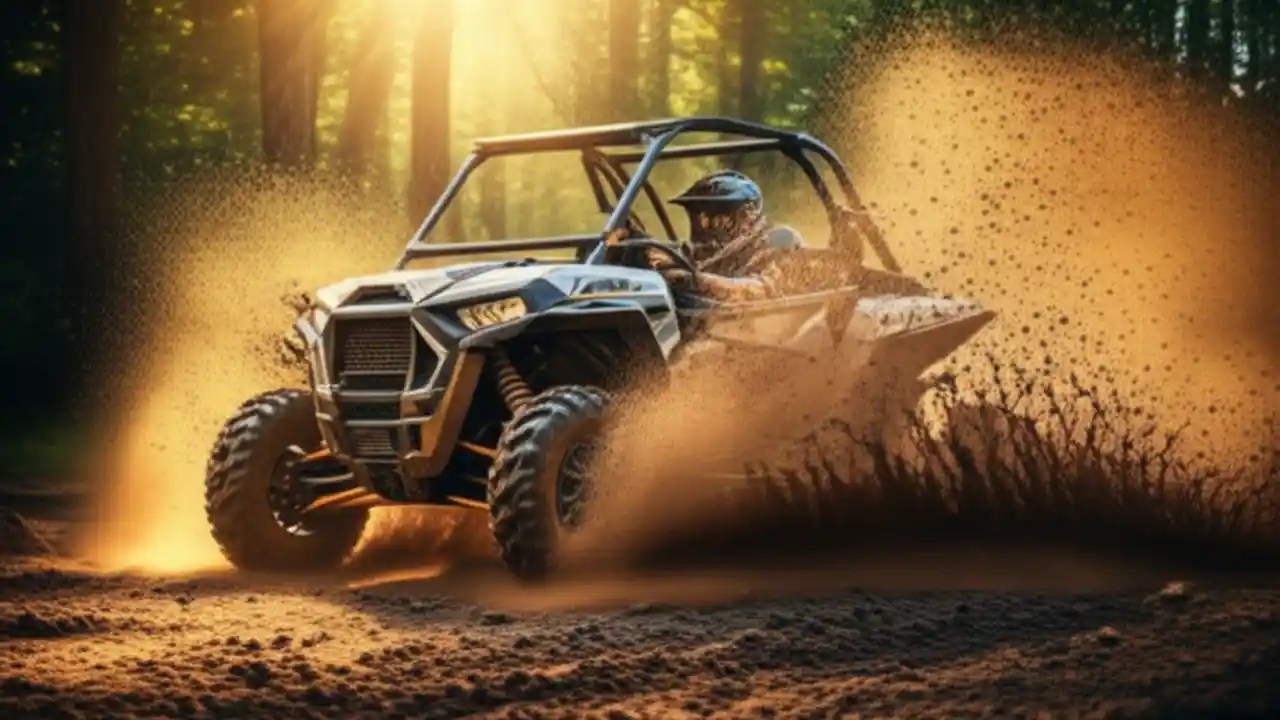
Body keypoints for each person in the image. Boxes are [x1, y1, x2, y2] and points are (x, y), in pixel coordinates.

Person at [647, 170, 805, 303]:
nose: (704, 226)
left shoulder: (778, 239)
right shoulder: (711, 253)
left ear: (746, 216)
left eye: (714, 219)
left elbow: (764, 290)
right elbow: (674, 256)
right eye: (698, 218)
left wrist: (698, 282)